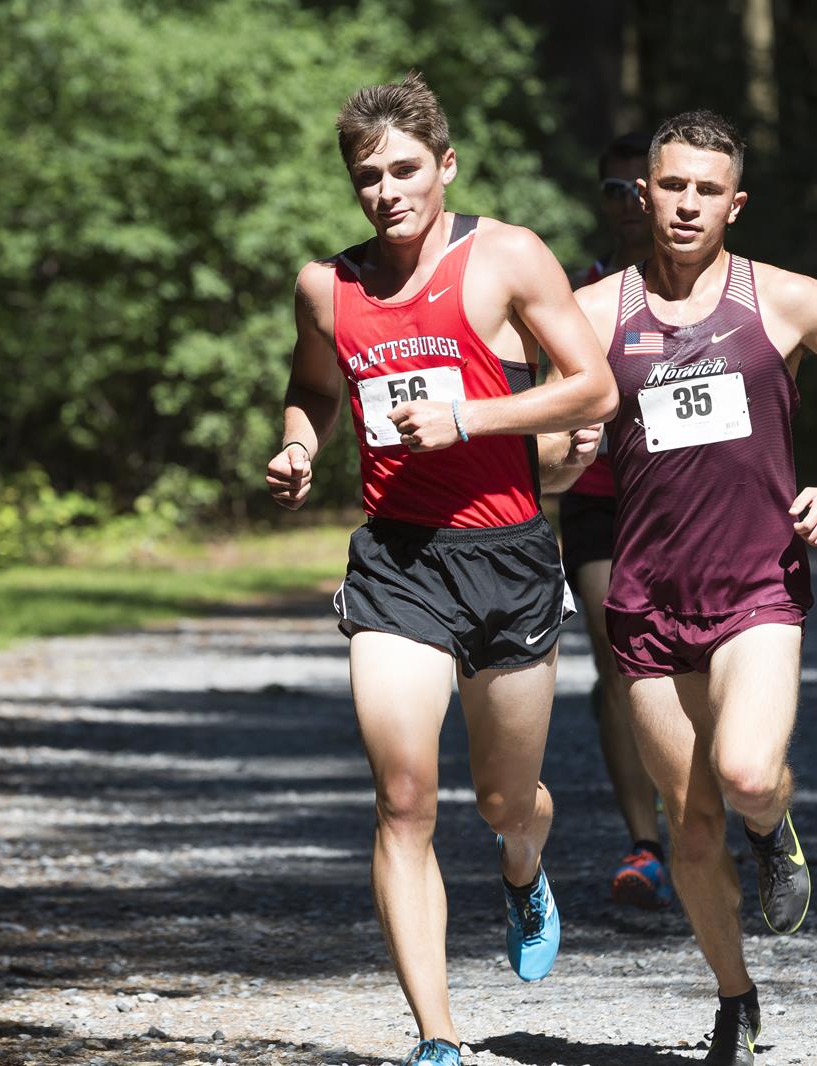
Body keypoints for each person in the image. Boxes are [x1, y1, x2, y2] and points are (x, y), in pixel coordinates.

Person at [545, 110, 817, 1065]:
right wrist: (561, 452)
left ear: (734, 204)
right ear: (644, 192)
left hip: (758, 585)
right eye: (671, 186)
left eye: (708, 191)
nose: (686, 205)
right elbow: (544, 452)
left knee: (746, 774)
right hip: (647, 599)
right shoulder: (592, 314)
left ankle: (776, 817)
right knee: (692, 830)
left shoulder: (782, 299)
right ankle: (734, 995)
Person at [264, 73, 617, 1066]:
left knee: (506, 798)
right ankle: (438, 1036)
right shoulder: (325, 287)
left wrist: (472, 416)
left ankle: (521, 863)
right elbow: (311, 384)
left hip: (505, 558)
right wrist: (298, 442)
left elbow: (593, 382)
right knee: (405, 796)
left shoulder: (503, 256)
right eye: (366, 175)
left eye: (405, 168)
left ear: (445, 165)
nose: (386, 190)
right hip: (397, 563)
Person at [548, 131, 674, 910]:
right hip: (599, 500)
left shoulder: (713, 292)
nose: (629, 204)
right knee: (619, 657)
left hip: (689, 504)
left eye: (642, 188)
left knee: (695, 663)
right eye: (613, 191)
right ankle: (645, 843)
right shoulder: (572, 298)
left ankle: (723, 799)